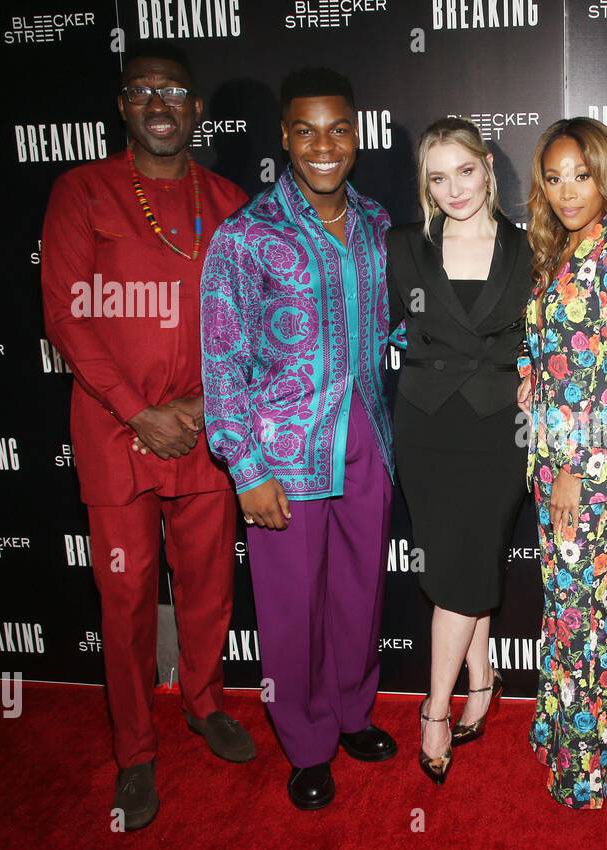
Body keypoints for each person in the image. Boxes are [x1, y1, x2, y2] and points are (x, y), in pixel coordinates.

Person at [40, 41, 256, 833]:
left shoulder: (229, 198)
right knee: (127, 598)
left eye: (174, 91)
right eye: (143, 92)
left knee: (206, 587)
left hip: (206, 430)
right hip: (114, 433)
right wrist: (139, 410)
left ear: (197, 110)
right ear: (123, 107)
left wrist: (201, 409)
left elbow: (254, 317)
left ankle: (204, 705)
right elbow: (64, 312)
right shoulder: (82, 190)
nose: (160, 103)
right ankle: (134, 752)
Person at [199, 67, 401, 812]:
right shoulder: (246, 236)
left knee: (358, 595)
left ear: (358, 134)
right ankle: (307, 742)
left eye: (338, 129)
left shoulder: (380, 224)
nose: (324, 145)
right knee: (289, 613)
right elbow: (221, 361)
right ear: (284, 137)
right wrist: (245, 467)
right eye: (307, 130)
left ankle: (353, 715)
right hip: (284, 453)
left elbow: (400, 325)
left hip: (368, 440)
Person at [384, 118, 529, 784]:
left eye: (465, 171)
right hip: (426, 426)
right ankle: (479, 676)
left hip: (500, 427)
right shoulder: (403, 246)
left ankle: (434, 709)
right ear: (425, 185)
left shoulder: (530, 248)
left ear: (488, 167)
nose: (454, 189)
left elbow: (558, 335)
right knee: (458, 559)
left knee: (469, 560)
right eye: (437, 178)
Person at [520, 117, 607, 810]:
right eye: (554, 176)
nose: (568, 190)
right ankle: (556, 725)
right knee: (564, 609)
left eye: (581, 174)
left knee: (581, 616)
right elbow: (546, 340)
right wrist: (527, 372)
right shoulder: (558, 256)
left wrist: (573, 464)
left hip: (588, 470)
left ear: (606, 175)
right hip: (549, 463)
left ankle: (586, 768)